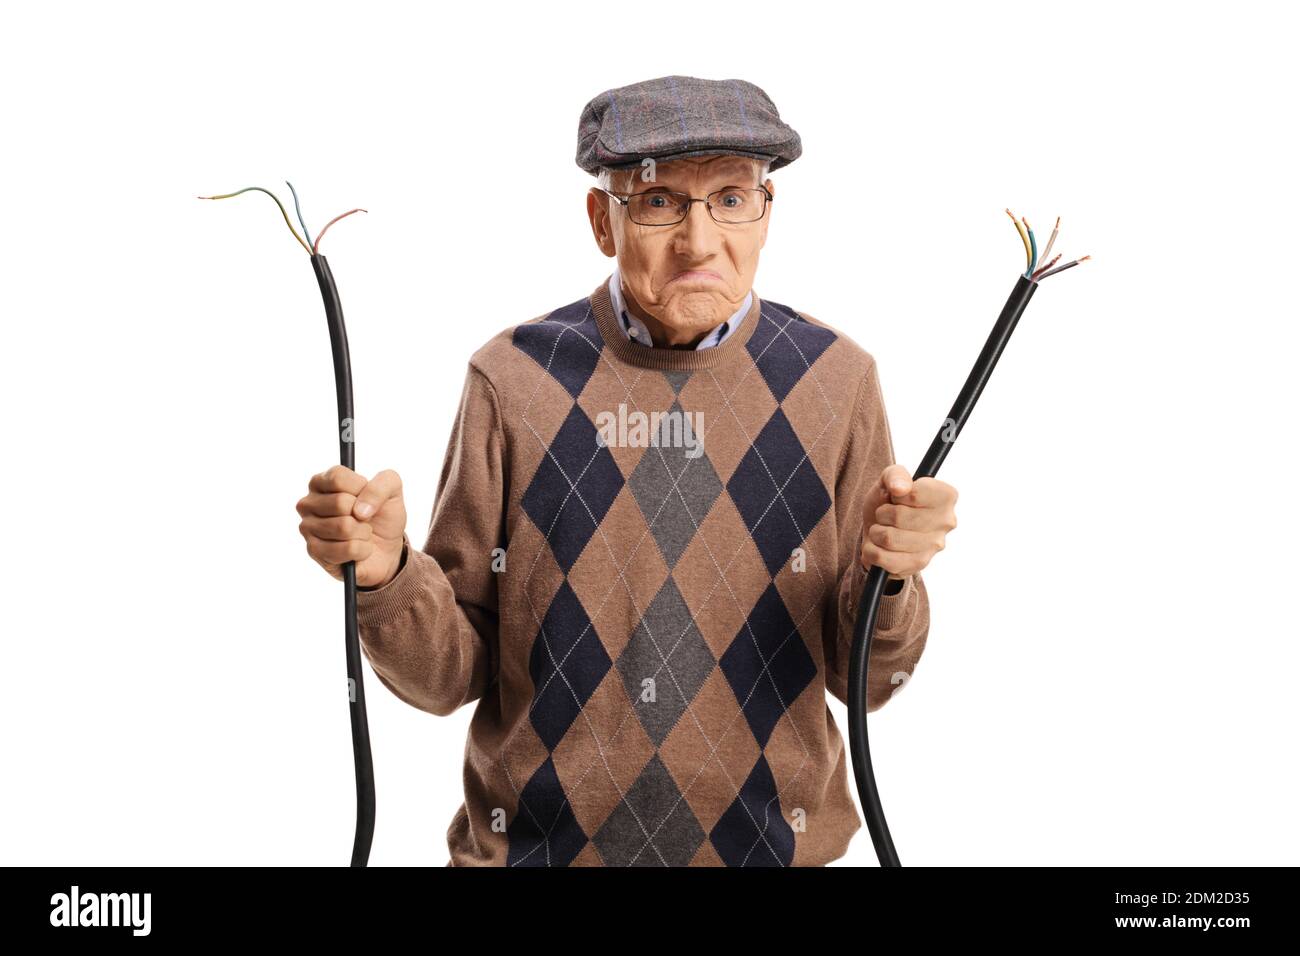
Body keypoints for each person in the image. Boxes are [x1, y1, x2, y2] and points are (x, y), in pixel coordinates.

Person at [295, 75, 958, 866]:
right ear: (601, 221)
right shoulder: (512, 380)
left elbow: (869, 683)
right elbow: (447, 676)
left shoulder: (836, 381)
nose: (700, 241)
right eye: (658, 203)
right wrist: (385, 576)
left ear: (767, 214)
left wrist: (896, 579)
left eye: (731, 199)